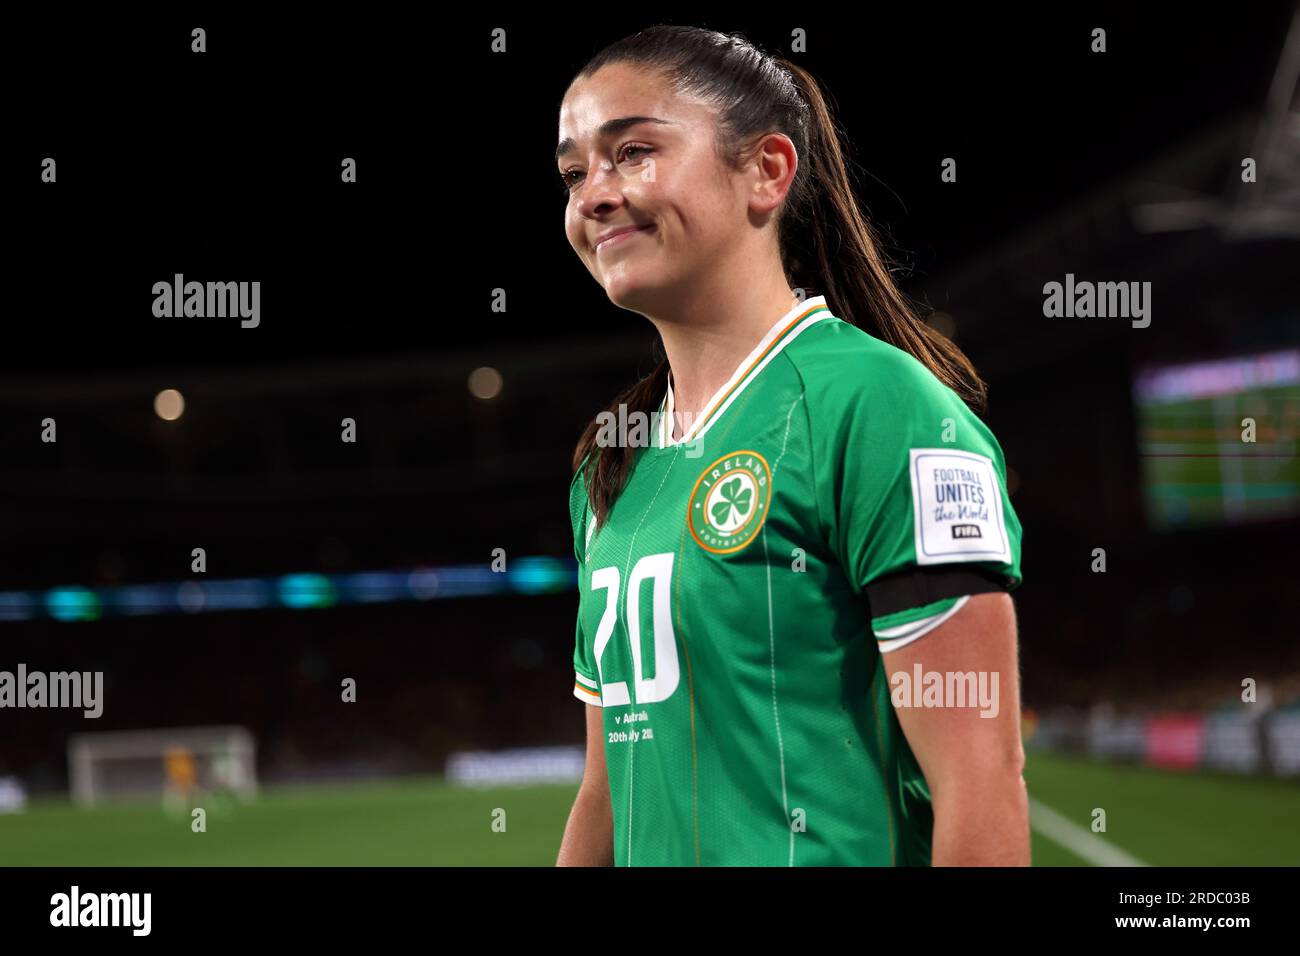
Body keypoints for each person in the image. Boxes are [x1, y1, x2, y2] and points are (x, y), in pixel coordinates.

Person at [554, 24, 1027, 866]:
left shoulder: (882, 409)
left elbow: (979, 780)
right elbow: (606, 790)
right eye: (574, 171)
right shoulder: (609, 461)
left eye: (632, 152)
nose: (594, 193)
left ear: (767, 171)